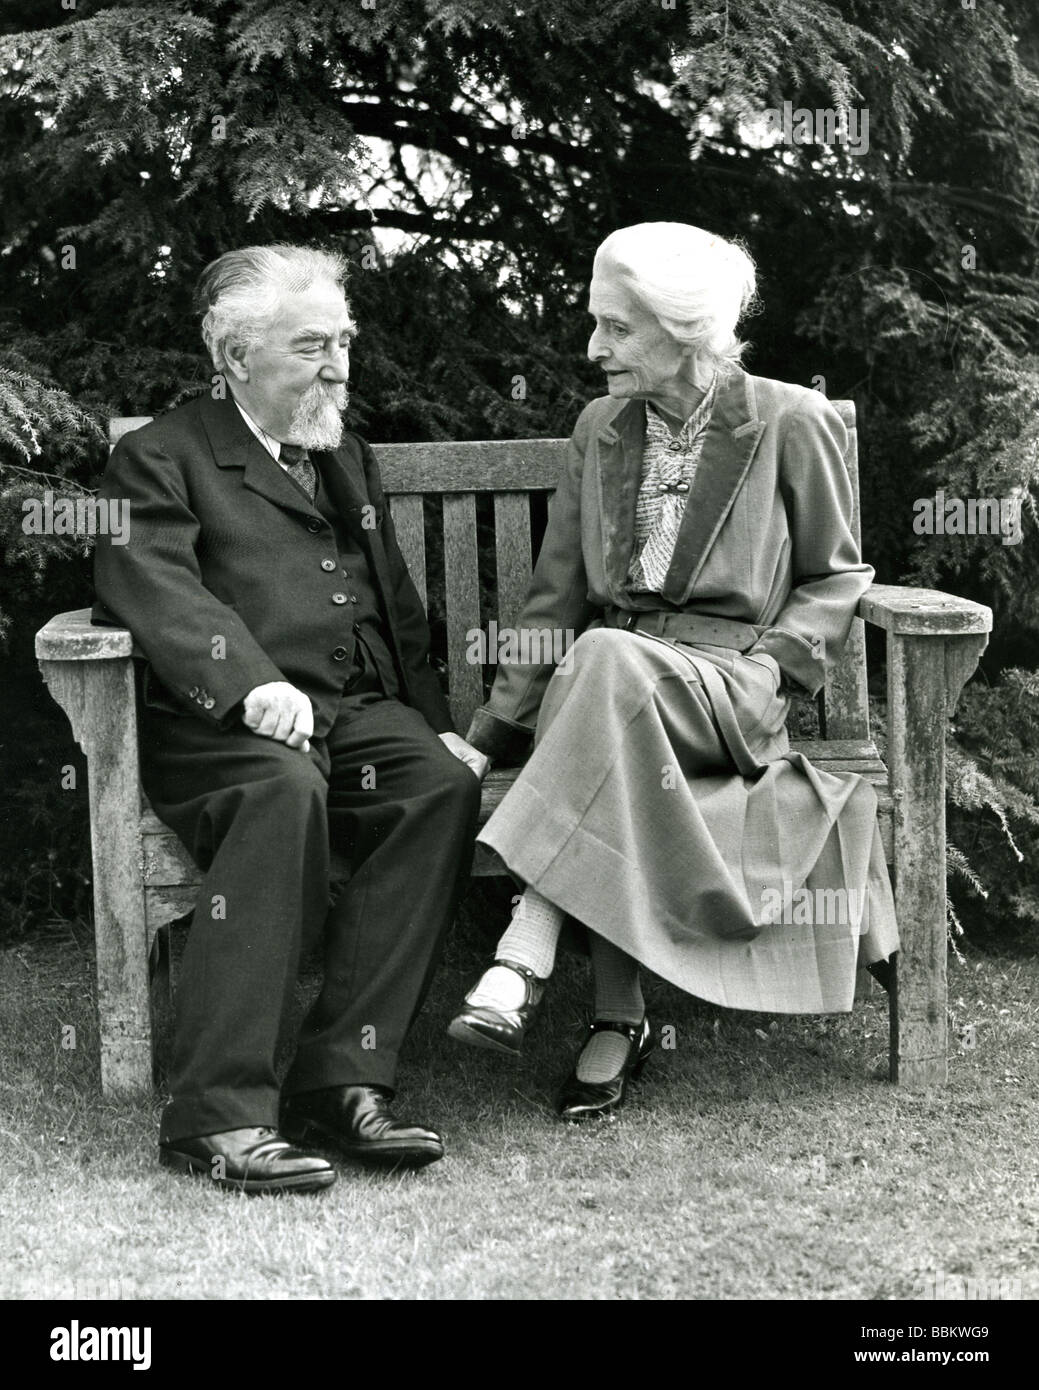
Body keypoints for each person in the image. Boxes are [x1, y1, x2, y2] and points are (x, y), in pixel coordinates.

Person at [448, 222, 898, 1121]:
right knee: (602, 661)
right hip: (612, 689)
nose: (592, 349)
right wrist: (487, 734)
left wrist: (776, 670)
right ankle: (615, 1019)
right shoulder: (599, 428)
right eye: (595, 324)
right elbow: (556, 594)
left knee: (601, 659)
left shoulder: (788, 420)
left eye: (615, 328)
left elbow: (834, 576)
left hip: (729, 687)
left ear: (682, 326)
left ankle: (526, 952)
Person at [93, 244, 487, 1193]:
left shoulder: (342, 453)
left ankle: (343, 1077)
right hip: (220, 729)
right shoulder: (156, 456)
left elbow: (394, 603)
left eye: (341, 343)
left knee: (437, 785)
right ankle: (216, 1118)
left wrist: (431, 721)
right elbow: (147, 582)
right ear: (232, 356)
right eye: (312, 347)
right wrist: (249, 682)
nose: (338, 367)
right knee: (279, 793)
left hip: (351, 713)